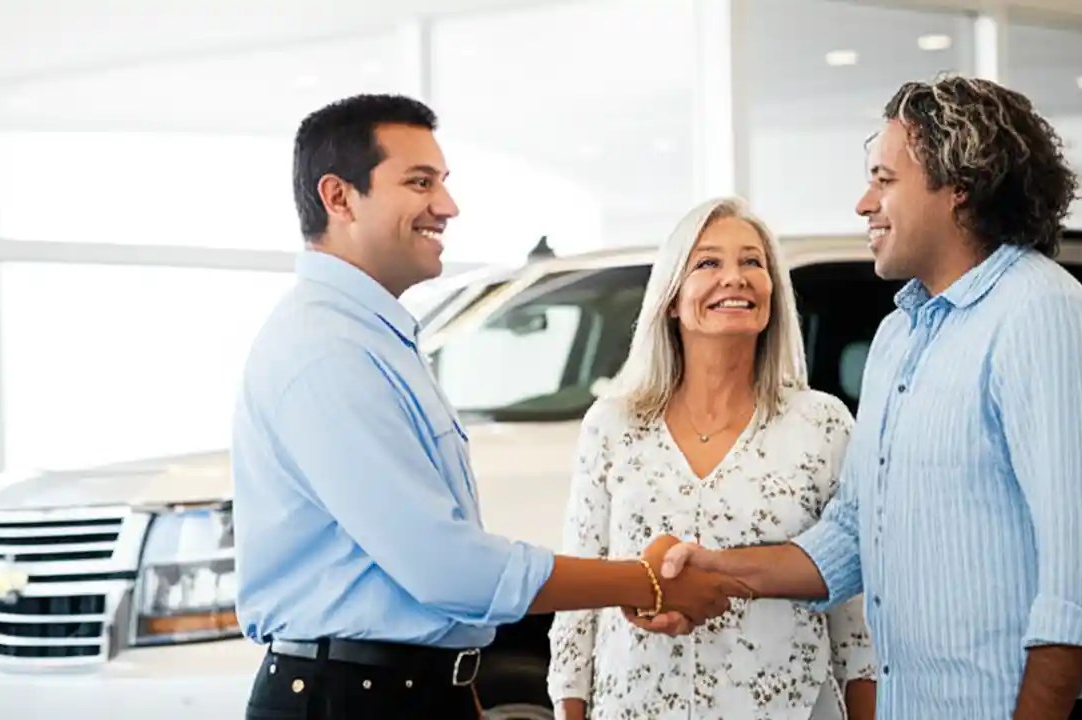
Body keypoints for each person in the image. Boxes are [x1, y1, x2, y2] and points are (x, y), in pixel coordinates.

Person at [230, 93, 747, 720]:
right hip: (349, 699)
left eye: (442, 182)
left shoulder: (372, 338)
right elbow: (447, 567)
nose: (447, 206)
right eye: (420, 182)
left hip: (404, 690)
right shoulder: (327, 351)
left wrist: (458, 686)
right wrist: (646, 581)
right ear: (339, 197)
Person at [641, 77, 1082, 719]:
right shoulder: (899, 336)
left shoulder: (1041, 315)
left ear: (959, 185)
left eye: (884, 179)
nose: (863, 203)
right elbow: (852, 536)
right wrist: (715, 570)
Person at [546, 197, 877, 720]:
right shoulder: (612, 425)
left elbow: (855, 615)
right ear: (671, 299)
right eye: (707, 262)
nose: (734, 277)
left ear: (772, 291)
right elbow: (578, 611)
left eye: (752, 262)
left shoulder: (823, 424)